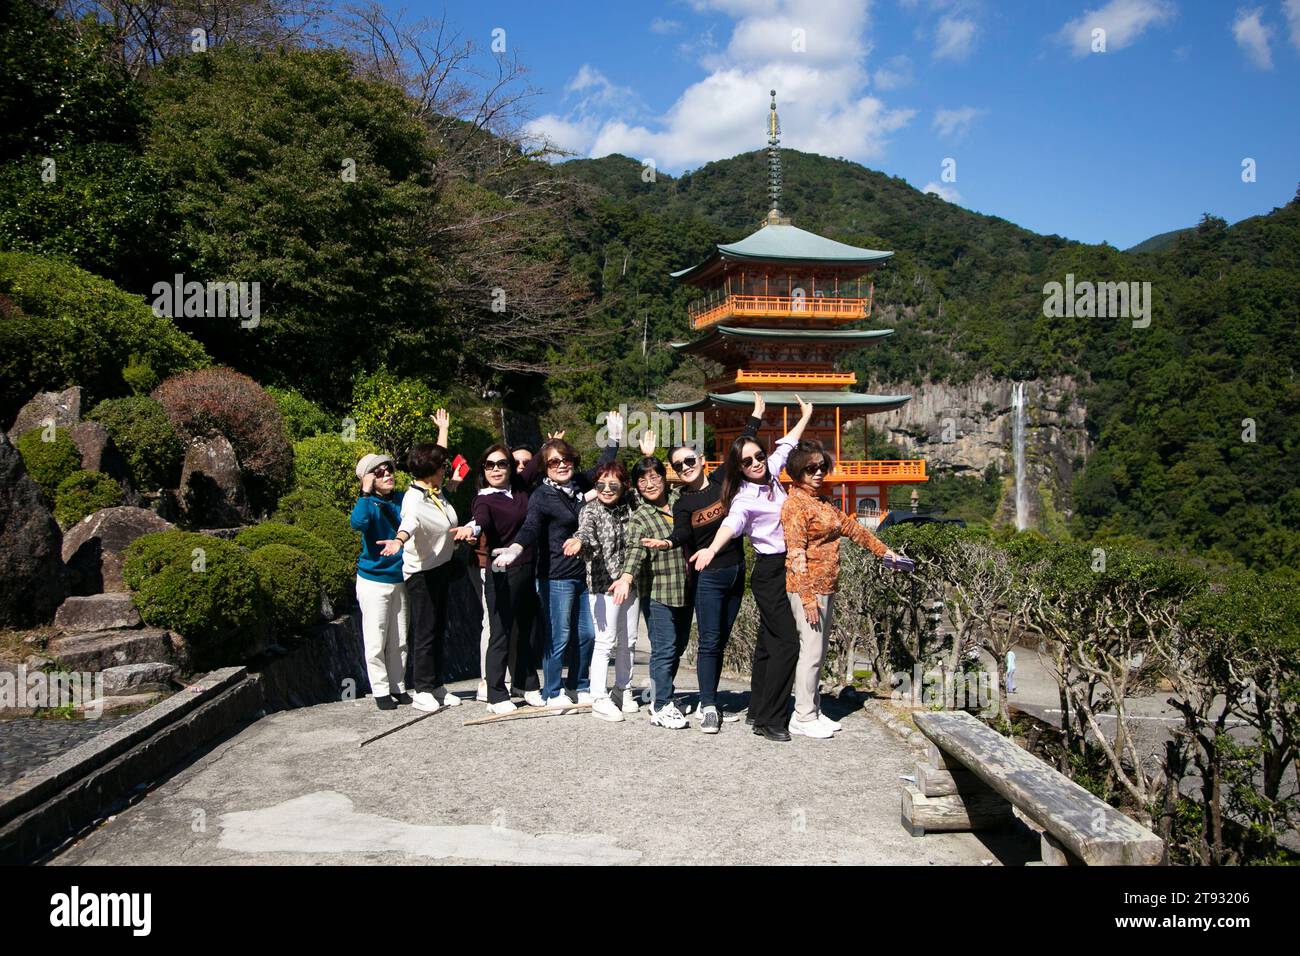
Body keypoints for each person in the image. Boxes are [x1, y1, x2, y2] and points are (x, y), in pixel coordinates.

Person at [691, 395, 815, 743]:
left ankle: (758, 711)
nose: (757, 462)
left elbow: (787, 445)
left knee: (767, 641)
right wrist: (711, 550)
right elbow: (730, 524)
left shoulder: (772, 472)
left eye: (759, 455)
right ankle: (771, 720)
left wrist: (805, 416)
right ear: (739, 468)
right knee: (788, 642)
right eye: (748, 461)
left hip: (788, 566)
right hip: (769, 570)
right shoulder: (744, 497)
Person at [644, 395, 764, 734]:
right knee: (710, 641)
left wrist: (754, 417)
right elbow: (681, 533)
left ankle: (708, 697)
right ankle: (709, 706)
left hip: (736, 571)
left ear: (700, 459)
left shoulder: (722, 481)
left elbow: (739, 450)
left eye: (689, 460)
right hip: (707, 578)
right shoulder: (684, 503)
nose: (685, 467)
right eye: (679, 465)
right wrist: (667, 542)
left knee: (721, 639)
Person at [492, 414, 623, 706]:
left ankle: (579, 684)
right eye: (553, 462)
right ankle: (553, 690)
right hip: (555, 577)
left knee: (587, 634)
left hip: (583, 574)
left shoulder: (576, 483)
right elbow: (530, 526)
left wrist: (614, 438)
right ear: (545, 468)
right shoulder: (542, 496)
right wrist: (515, 549)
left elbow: (602, 468)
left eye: (565, 459)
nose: (561, 465)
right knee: (559, 636)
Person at [780, 439, 900, 739]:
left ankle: (814, 710)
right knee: (811, 652)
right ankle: (802, 716)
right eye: (810, 468)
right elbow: (795, 553)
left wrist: (885, 552)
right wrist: (807, 599)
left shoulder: (822, 502)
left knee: (818, 652)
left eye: (822, 467)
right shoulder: (795, 505)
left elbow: (854, 529)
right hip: (807, 588)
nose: (818, 472)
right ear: (797, 472)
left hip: (827, 586)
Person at [381, 441, 477, 713]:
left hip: (441, 568)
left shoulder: (435, 491)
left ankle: (436, 685)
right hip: (421, 574)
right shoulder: (414, 498)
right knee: (425, 631)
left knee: (438, 629)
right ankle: (422, 688)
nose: (446, 470)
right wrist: (398, 541)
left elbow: (438, 465)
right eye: (442, 466)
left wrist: (443, 433)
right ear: (432, 470)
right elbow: (408, 523)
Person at [612, 456, 690, 730]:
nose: (649, 484)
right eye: (642, 480)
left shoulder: (681, 501)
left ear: (664, 478)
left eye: (654, 477)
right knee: (664, 648)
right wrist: (626, 576)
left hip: (686, 588)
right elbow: (635, 548)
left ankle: (667, 695)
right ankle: (660, 704)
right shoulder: (641, 516)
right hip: (657, 590)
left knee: (679, 646)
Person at [472, 442, 546, 714]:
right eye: (489, 465)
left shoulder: (520, 489)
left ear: (511, 467)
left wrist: (549, 444)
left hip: (526, 569)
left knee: (524, 631)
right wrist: (472, 528)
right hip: (501, 570)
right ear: (483, 469)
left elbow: (538, 462)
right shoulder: (485, 498)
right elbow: (481, 519)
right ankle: (495, 694)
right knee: (500, 632)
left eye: (501, 463)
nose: (495, 469)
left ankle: (525, 685)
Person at [570, 460, 642, 722]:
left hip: (630, 581)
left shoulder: (631, 505)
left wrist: (644, 460)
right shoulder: (590, 510)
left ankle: (623, 689)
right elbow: (585, 531)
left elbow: (644, 488)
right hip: (602, 585)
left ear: (624, 486)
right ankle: (598, 696)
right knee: (605, 642)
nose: (606, 489)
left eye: (613, 484)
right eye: (601, 484)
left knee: (629, 640)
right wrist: (579, 541)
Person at [350, 453, 409, 710]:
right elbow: (358, 523)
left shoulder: (400, 499)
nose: (388, 475)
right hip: (373, 580)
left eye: (389, 470)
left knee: (400, 638)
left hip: (400, 577)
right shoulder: (368, 504)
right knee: (376, 639)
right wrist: (364, 492)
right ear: (370, 479)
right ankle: (381, 690)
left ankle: (399, 686)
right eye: (380, 473)